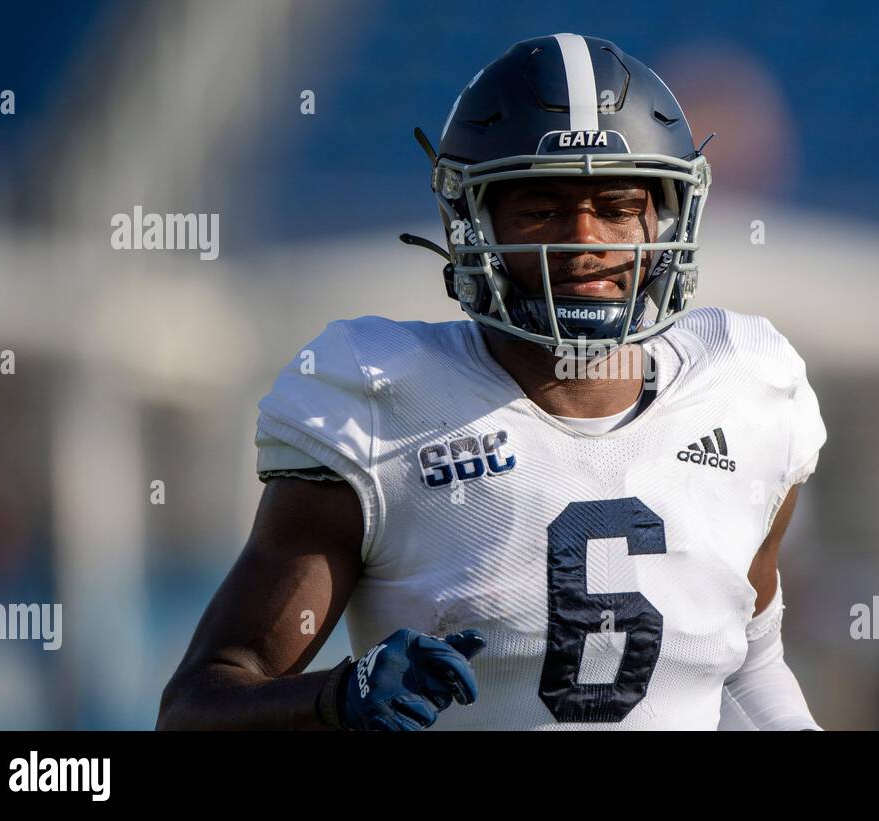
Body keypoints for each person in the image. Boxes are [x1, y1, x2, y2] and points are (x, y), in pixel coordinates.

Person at [158, 33, 826, 731]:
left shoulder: (745, 390)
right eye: (541, 210)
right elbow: (194, 708)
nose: (583, 238)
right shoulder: (382, 406)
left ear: (665, 220)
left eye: (619, 205)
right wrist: (336, 699)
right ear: (471, 224)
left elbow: (744, 662)